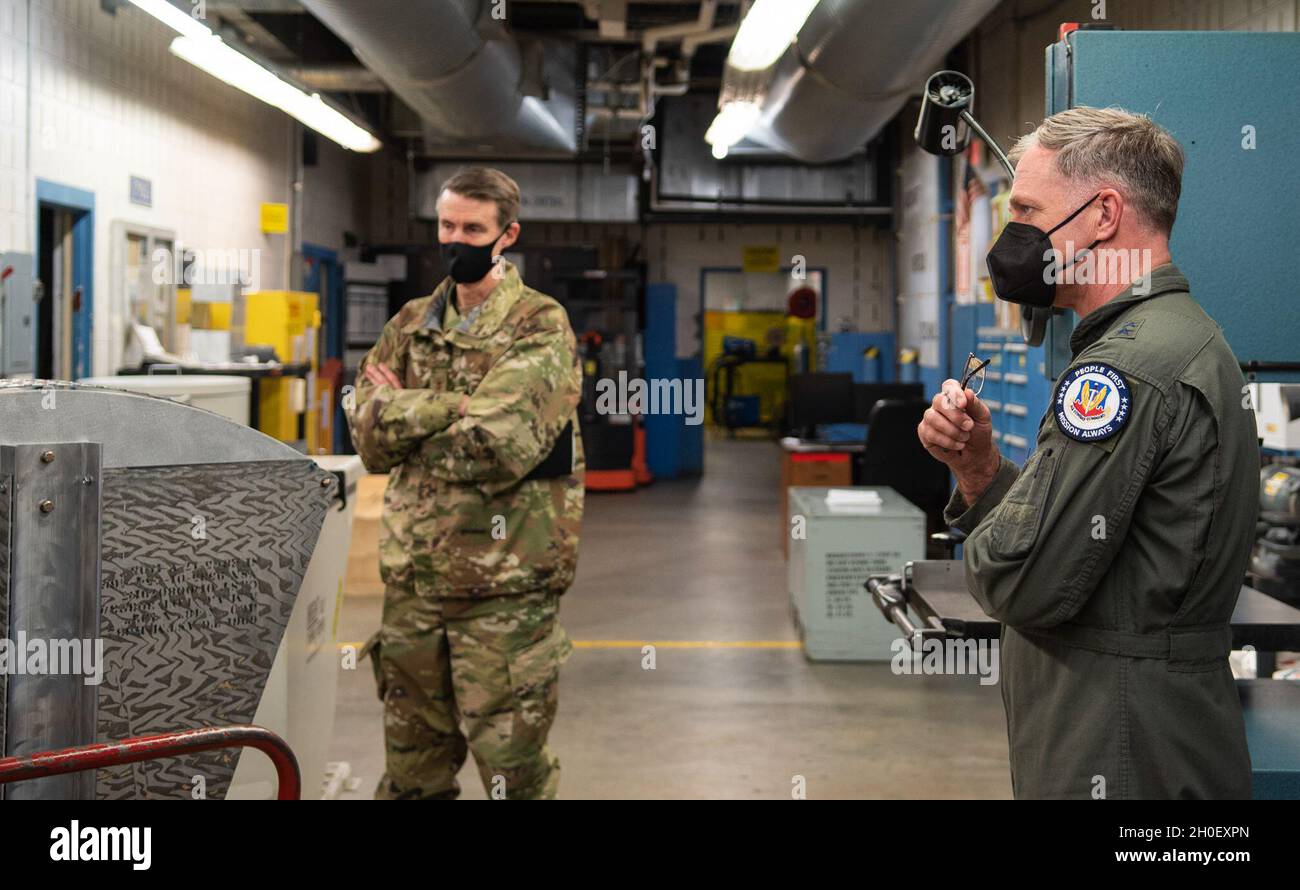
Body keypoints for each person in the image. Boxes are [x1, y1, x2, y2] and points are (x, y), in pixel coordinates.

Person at [917, 108, 1258, 799]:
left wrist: (988, 545)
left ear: (1103, 215)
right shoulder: (1170, 340)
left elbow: (1023, 580)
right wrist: (980, 467)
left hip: (1125, 752)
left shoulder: (1127, 372)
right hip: (1140, 739)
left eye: (1028, 211)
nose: (1013, 236)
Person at [346, 166, 584, 800]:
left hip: (503, 589)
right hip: (414, 584)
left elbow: (495, 445)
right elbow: (366, 436)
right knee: (411, 773)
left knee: (514, 775)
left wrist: (410, 409)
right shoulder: (409, 323)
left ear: (507, 235)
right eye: (447, 225)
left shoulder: (540, 326)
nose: (456, 239)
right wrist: (455, 405)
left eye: (472, 228)